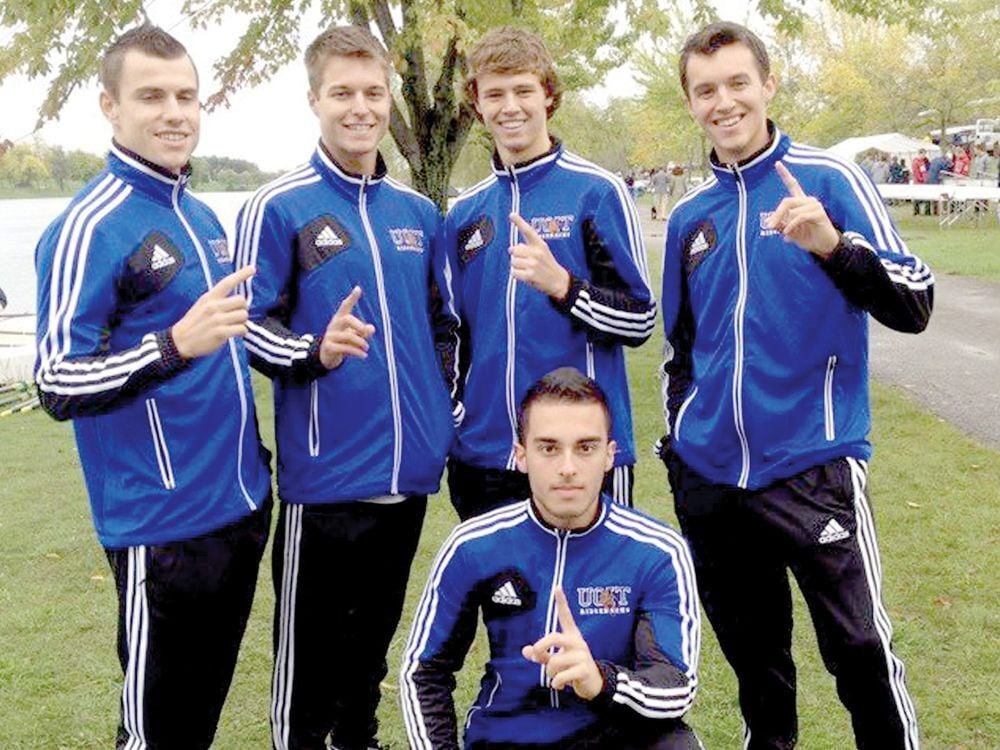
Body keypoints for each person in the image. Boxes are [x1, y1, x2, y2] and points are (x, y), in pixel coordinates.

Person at [659, 21, 933, 750]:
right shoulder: (689, 217)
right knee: (759, 672)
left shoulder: (829, 181)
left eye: (738, 82)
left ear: (768, 84)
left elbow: (914, 303)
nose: (725, 102)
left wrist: (833, 248)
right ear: (691, 102)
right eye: (706, 89)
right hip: (715, 483)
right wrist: (685, 455)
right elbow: (681, 353)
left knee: (861, 657)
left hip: (814, 469)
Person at [33, 24, 273, 749]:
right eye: (152, 97)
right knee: (156, 731)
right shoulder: (90, 225)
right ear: (110, 105)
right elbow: (56, 379)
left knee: (195, 720)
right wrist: (171, 345)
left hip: (238, 509)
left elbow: (227, 348)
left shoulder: (201, 215)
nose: (174, 113)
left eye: (186, 96)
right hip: (161, 531)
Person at [232, 25, 454, 750]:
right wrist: (313, 351)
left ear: (387, 97)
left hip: (408, 481)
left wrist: (437, 419)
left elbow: (443, 328)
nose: (360, 108)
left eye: (372, 92)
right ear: (313, 99)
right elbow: (247, 325)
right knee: (308, 666)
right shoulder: (280, 207)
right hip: (324, 484)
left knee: (367, 656)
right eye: (342, 93)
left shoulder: (418, 214)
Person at [401, 367, 702, 750]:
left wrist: (600, 680)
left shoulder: (657, 552)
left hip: (616, 733)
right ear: (521, 455)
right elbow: (424, 672)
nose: (567, 467)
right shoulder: (473, 545)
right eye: (548, 447)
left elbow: (674, 687)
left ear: (610, 455)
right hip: (507, 737)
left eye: (586, 447)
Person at [442, 26, 656, 520]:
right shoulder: (465, 213)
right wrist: (456, 417)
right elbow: (454, 336)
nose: (509, 106)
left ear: (549, 95)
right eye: (494, 94)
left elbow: (639, 321)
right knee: (499, 598)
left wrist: (563, 286)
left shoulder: (596, 192)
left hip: (579, 456)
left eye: (523, 90)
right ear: (477, 105)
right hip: (485, 456)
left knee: (583, 597)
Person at [910, 148, 930, 215]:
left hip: (923, 182)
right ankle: (916, 211)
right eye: (924, 154)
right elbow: (916, 173)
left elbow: (924, 171)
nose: (924, 156)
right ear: (920, 154)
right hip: (918, 182)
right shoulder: (915, 162)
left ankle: (926, 211)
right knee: (917, 197)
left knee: (926, 197)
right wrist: (921, 179)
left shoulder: (922, 162)